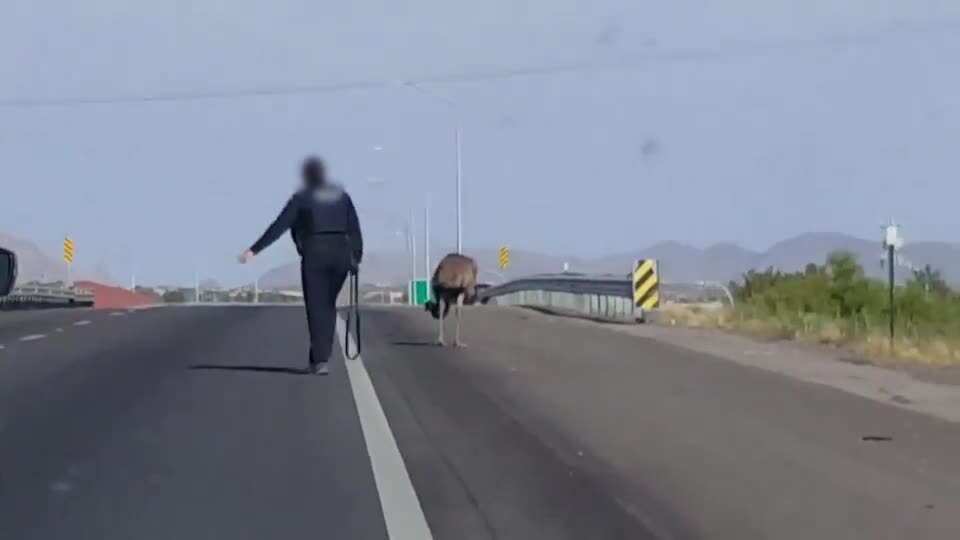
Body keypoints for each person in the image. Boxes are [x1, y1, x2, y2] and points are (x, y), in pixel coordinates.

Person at [239, 156, 363, 375]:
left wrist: (254, 250)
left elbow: (280, 225)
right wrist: (356, 258)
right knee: (327, 304)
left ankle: (320, 359)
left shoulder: (302, 198)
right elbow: (354, 229)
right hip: (340, 254)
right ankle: (321, 355)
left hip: (315, 253)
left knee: (317, 307)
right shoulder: (342, 197)